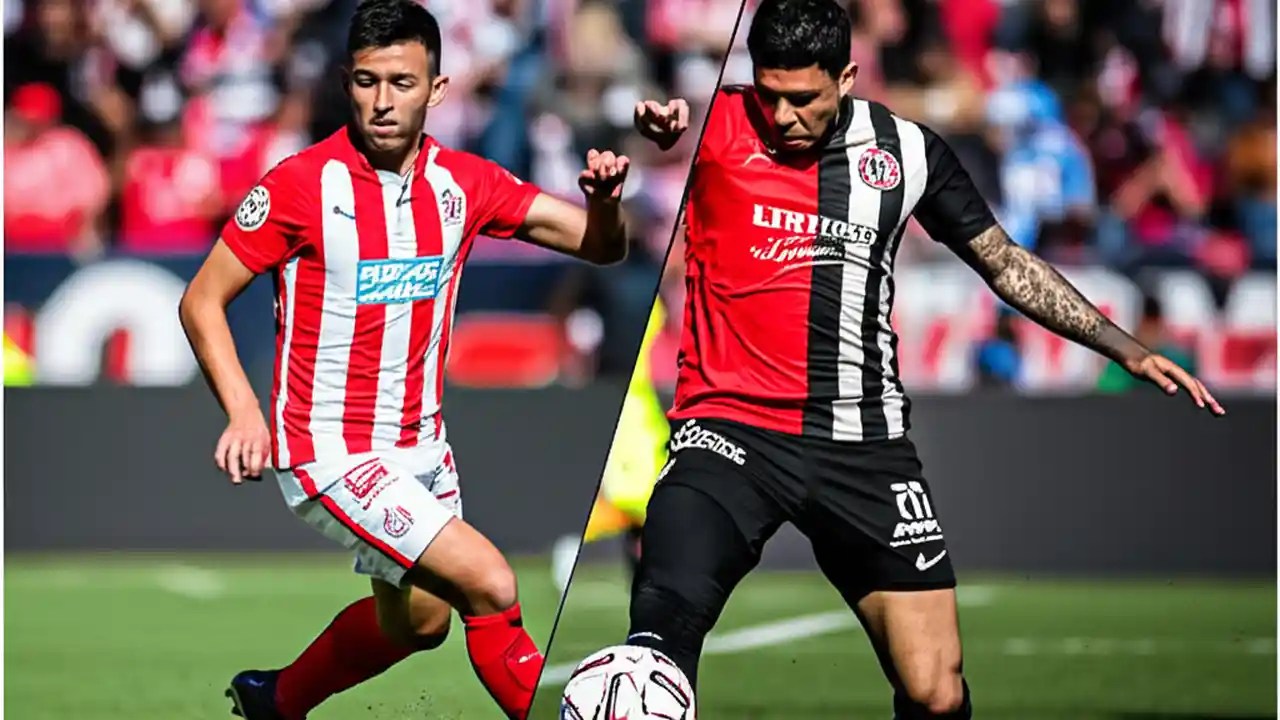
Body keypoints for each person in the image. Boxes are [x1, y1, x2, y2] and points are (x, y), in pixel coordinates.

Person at [623, 0, 1225, 716]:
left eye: (803, 98)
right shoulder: (715, 124)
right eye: (770, 94)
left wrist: (1123, 348)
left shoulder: (906, 152)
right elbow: (639, 162)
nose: (782, 116)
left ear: (847, 78)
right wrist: (654, 136)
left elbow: (1003, 262)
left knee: (936, 692)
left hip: (863, 446)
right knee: (653, 652)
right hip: (729, 433)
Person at [177, 1, 633, 718]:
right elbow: (202, 300)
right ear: (347, 82)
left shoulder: (464, 184)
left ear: (438, 89)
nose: (383, 101)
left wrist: (604, 203)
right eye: (367, 82)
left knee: (419, 624)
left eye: (402, 82)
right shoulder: (301, 184)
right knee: (490, 582)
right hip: (330, 448)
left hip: (420, 447)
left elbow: (601, 245)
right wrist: (243, 411)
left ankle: (275, 701)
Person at [550, 298, 671, 594]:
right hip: (632, 410)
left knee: (646, 501)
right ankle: (575, 542)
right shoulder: (636, 305)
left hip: (648, 409)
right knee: (639, 498)